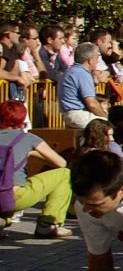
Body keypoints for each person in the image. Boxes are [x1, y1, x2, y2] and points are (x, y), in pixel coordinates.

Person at [0, 99, 73, 237]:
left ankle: (2, 220)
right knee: (64, 174)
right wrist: (33, 152)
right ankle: (48, 223)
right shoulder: (28, 138)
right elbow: (61, 163)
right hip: (15, 195)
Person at [59, 42, 108, 130]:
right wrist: (106, 117)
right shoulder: (82, 73)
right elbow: (92, 104)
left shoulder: (70, 71)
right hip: (79, 114)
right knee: (108, 127)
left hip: (69, 114)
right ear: (90, 60)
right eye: (97, 57)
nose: (97, 61)